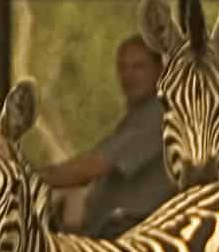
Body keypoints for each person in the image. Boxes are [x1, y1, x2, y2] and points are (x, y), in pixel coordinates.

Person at [42, 35, 172, 234]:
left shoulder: (158, 117)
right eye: (123, 68)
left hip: (129, 234)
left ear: (159, 71)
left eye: (138, 67)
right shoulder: (136, 117)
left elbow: (90, 168)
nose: (128, 76)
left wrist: (26, 176)